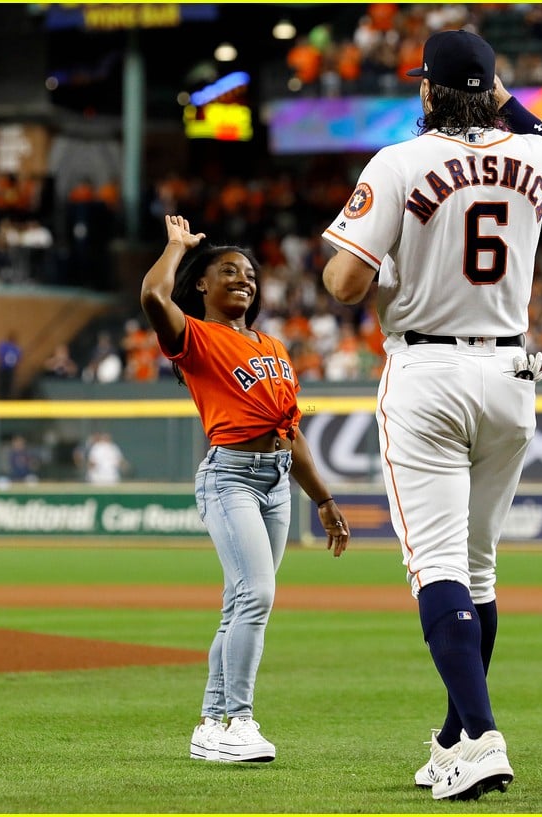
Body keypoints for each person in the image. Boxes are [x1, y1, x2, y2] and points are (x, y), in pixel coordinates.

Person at [320, 29, 542, 801]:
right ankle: (451, 740)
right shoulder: (535, 156)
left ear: (426, 90)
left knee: (436, 567)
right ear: (493, 91)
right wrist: (515, 110)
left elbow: (345, 283)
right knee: (478, 569)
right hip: (510, 372)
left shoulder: (399, 161)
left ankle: (482, 735)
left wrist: (370, 261)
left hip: (428, 372)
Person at [140, 213, 351, 764]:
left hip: (277, 482)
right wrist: (177, 247)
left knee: (241, 604)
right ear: (201, 285)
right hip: (229, 476)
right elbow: (153, 295)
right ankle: (239, 719)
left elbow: (290, 431)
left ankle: (211, 725)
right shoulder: (195, 337)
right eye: (229, 271)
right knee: (256, 595)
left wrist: (324, 499)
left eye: (251, 275)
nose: (244, 280)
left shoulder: (273, 347)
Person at [0, 331, 22, 398]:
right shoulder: (3, 346)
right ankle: (1, 397)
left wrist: (16, 363)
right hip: (3, 369)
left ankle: (8, 397)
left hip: (11, 370)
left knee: (9, 385)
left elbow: (19, 357)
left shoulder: (16, 348)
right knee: (1, 385)